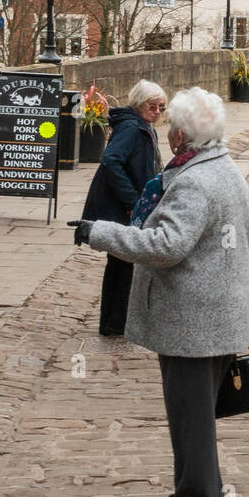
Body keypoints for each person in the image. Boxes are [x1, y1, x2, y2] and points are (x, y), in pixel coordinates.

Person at [72, 88, 249, 497]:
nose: (168, 132)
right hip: (212, 312)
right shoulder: (222, 167)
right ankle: (196, 495)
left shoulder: (195, 180)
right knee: (195, 418)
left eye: (173, 125)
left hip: (196, 319)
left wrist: (99, 232)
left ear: (182, 134)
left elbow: (165, 246)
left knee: (191, 419)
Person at [81, 81, 166, 336]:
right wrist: (132, 202)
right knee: (123, 263)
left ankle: (115, 322)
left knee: (122, 263)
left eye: (162, 107)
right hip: (121, 206)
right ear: (140, 104)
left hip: (128, 204)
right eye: (153, 106)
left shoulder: (143, 127)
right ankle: (115, 323)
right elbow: (110, 161)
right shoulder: (131, 128)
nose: (158, 112)